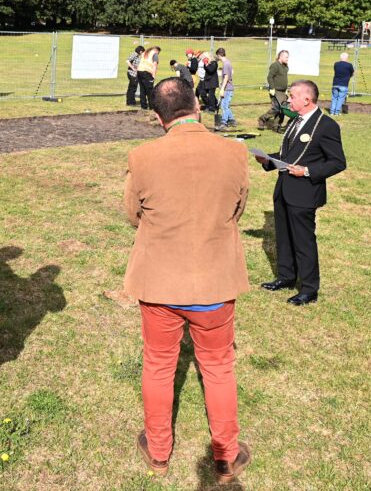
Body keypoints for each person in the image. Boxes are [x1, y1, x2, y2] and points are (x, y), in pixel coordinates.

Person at [123, 78, 253, 484]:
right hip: (215, 281)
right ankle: (226, 456)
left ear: (159, 118)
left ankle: (159, 451)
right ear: (198, 106)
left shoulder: (143, 156)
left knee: (159, 365)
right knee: (218, 368)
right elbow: (238, 207)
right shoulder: (234, 152)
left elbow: (132, 213)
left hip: (160, 282)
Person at [256, 80, 347, 306]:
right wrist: (268, 160)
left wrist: (308, 171)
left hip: (304, 193)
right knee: (284, 236)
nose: (288, 100)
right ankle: (286, 277)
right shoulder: (295, 121)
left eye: (292, 96)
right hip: (284, 190)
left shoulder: (326, 126)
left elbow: (337, 162)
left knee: (304, 241)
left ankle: (309, 289)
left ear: (307, 99)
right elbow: (290, 154)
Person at [257, 50, 290, 131]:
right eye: (286, 57)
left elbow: (284, 78)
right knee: (276, 108)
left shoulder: (285, 66)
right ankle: (262, 119)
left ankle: (276, 126)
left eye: (288, 57)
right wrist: (272, 88)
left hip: (283, 91)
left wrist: (286, 89)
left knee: (282, 110)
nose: (287, 59)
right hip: (276, 91)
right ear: (280, 56)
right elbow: (270, 77)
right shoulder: (275, 65)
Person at [216, 47, 236, 130]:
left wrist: (222, 89)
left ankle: (223, 122)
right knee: (226, 105)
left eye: (217, 56)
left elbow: (226, 77)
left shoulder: (226, 64)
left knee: (224, 106)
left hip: (227, 89)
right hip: (227, 88)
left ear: (219, 55)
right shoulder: (228, 63)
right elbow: (231, 72)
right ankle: (232, 120)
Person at [136, 46, 161, 110]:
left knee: (142, 90)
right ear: (157, 51)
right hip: (147, 73)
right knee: (150, 91)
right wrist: (154, 75)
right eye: (159, 53)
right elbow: (155, 65)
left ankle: (143, 106)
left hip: (139, 71)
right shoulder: (154, 54)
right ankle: (151, 107)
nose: (158, 54)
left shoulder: (144, 53)